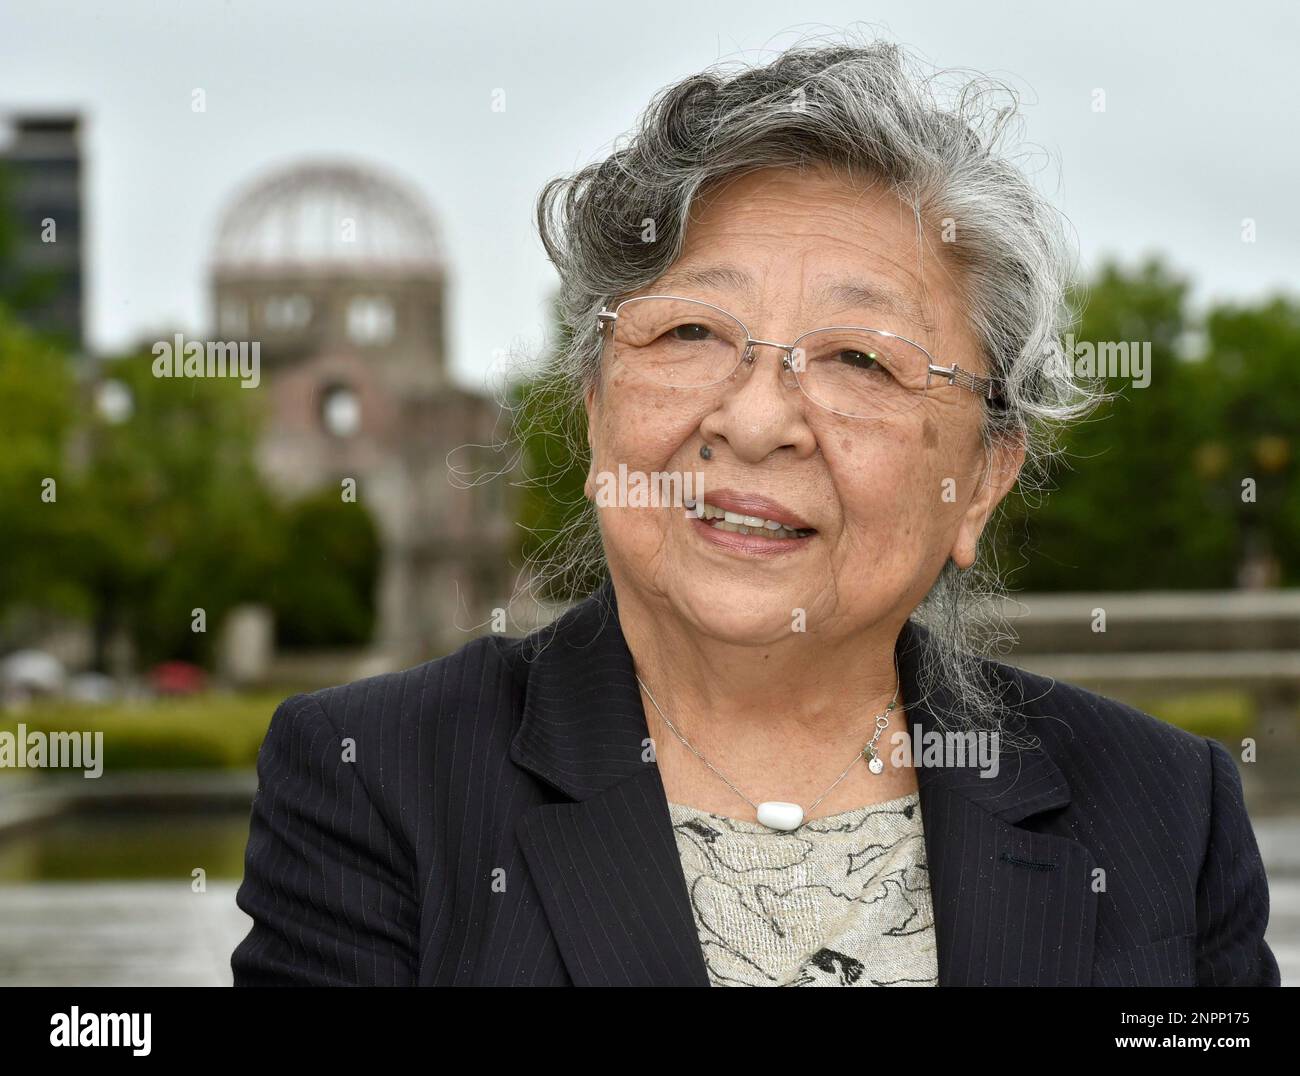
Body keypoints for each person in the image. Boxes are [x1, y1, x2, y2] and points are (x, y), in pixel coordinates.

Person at [231, 39, 1279, 987]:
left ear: (983, 480)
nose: (757, 416)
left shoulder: (1160, 809)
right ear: (596, 408)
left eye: (860, 359)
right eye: (689, 331)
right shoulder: (376, 780)